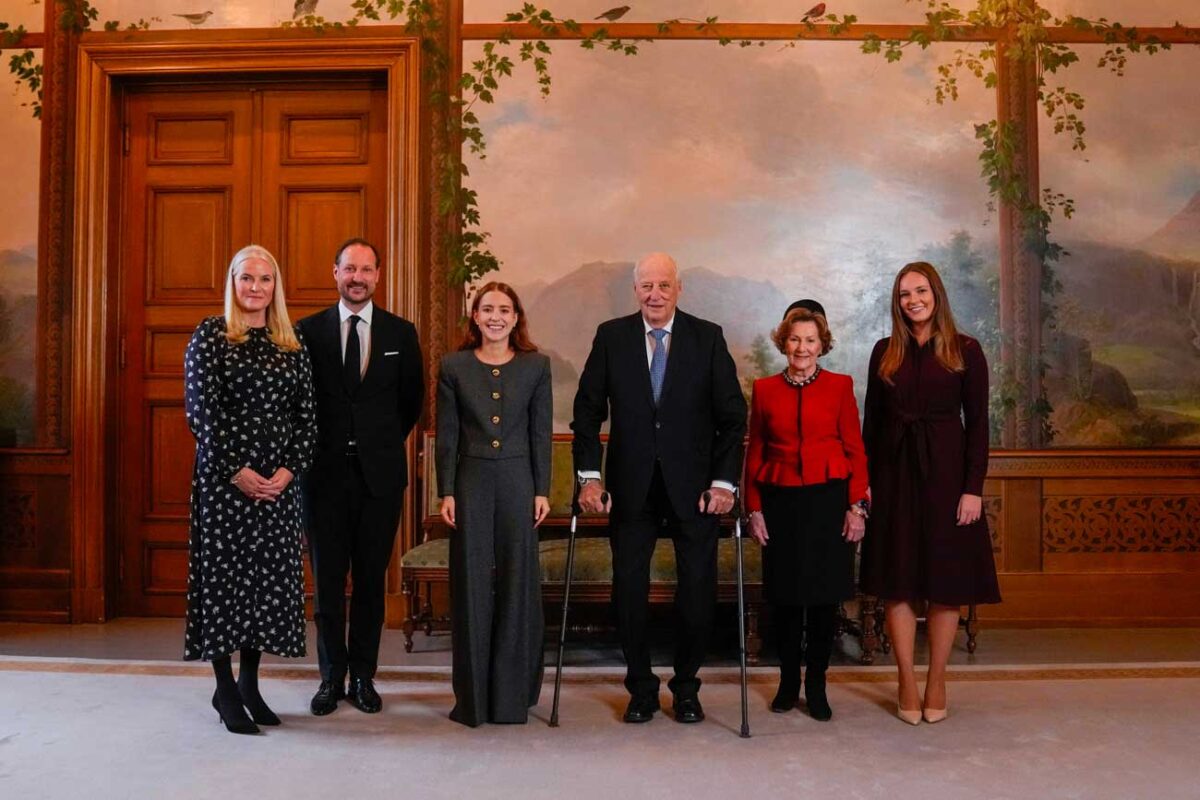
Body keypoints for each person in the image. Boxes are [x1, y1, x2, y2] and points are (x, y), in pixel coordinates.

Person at [572, 252, 747, 724]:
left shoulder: (707, 338)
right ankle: (641, 689)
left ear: (678, 289)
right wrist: (589, 478)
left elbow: (733, 418)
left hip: (696, 490)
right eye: (646, 286)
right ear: (635, 290)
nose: (654, 294)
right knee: (628, 590)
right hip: (631, 488)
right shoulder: (612, 337)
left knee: (697, 590)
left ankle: (687, 688)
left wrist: (724, 483)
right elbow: (587, 412)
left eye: (663, 286)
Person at [859, 261, 1001, 725]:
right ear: (897, 303)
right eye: (904, 294)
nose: (913, 300)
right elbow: (871, 428)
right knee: (897, 581)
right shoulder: (884, 351)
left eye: (920, 291)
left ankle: (937, 678)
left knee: (946, 583)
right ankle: (904, 677)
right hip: (894, 476)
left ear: (936, 294)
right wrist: (866, 486)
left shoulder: (966, 350)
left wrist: (972, 490)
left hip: (948, 477)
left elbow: (978, 426)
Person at [183, 244, 316, 735]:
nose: (255, 287)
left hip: (278, 488)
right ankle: (224, 689)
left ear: (275, 286)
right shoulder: (211, 336)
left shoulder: (292, 342)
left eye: (264, 279)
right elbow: (202, 414)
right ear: (232, 283)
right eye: (246, 278)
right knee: (224, 584)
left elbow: (307, 417)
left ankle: (250, 684)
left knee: (266, 585)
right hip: (224, 484)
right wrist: (237, 470)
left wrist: (287, 471)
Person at [297, 238, 424, 716]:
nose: (357, 277)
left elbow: (411, 403)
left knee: (371, 583)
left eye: (366, 269)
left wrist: (376, 441)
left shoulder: (400, 333)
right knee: (328, 584)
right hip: (322, 477)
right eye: (349, 268)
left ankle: (364, 678)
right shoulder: (307, 332)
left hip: (380, 479)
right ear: (335, 273)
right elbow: (298, 404)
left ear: (378, 276)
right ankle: (330, 678)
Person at [744, 300, 868, 721]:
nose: (802, 347)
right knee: (784, 600)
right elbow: (754, 453)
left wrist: (857, 508)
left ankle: (816, 684)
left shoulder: (839, 386)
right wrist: (754, 510)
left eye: (810, 340)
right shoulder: (764, 390)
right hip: (780, 504)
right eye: (795, 339)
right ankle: (786, 683)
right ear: (784, 342)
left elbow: (855, 449)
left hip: (828, 503)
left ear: (822, 344)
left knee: (821, 602)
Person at [436, 282, 553, 727]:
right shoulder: (454, 366)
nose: (496, 317)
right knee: (469, 586)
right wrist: (446, 490)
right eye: (487, 309)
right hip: (470, 484)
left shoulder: (536, 366)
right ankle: (473, 700)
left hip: (519, 483)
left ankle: (511, 698)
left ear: (516, 317)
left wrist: (542, 489)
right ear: (475, 316)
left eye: (505, 309)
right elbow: (448, 435)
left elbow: (540, 432)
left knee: (518, 585)